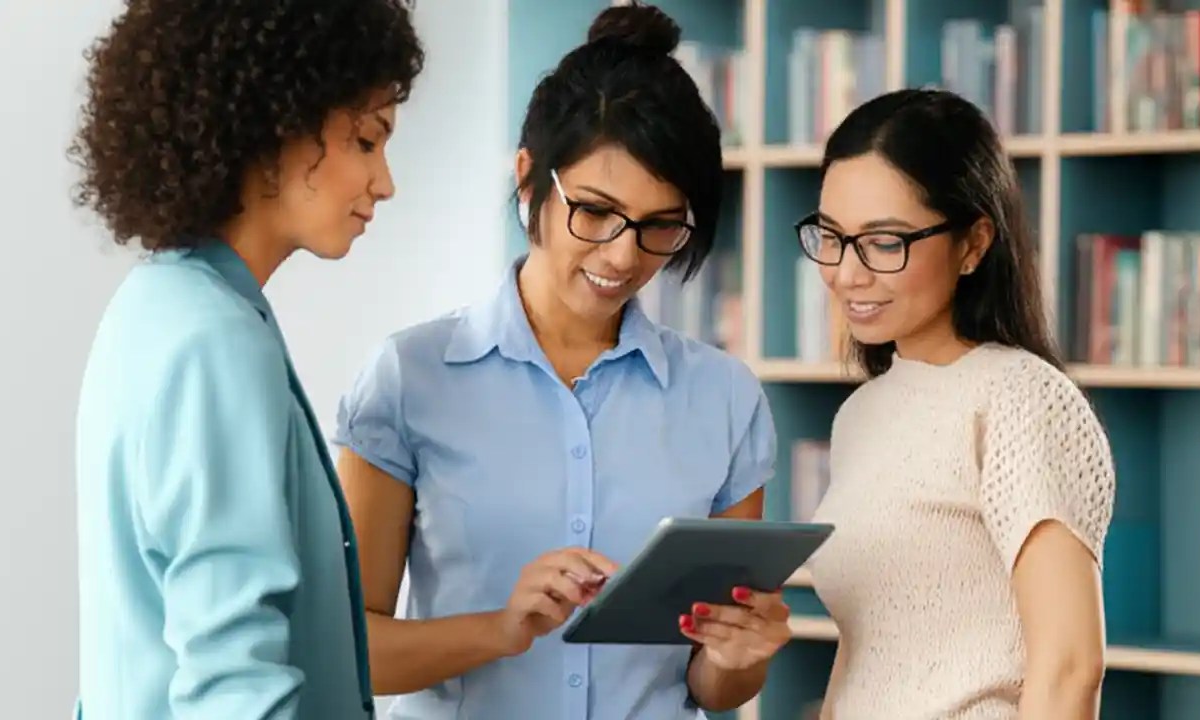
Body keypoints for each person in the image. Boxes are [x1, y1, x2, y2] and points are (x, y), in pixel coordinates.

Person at [332, 3, 788, 719]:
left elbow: (710, 685)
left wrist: (740, 658)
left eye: (660, 226)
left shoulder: (724, 399)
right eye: (597, 212)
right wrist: (499, 630)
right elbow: (345, 650)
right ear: (528, 180)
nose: (624, 256)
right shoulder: (409, 379)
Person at [68, 2, 423, 718]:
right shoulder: (216, 341)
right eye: (365, 140)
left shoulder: (153, 303)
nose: (383, 182)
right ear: (276, 127)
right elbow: (233, 683)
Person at [797, 88, 1116, 718]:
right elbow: (867, 655)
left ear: (973, 243)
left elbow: (1070, 668)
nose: (846, 273)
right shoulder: (859, 416)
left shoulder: (1021, 397)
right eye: (831, 237)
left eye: (884, 243)